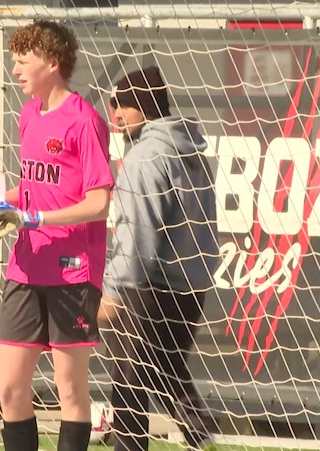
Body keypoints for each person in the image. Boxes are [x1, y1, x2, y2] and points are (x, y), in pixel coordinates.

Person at [0, 20, 114, 451]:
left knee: (69, 389)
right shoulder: (29, 114)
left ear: (52, 63)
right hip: (25, 267)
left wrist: (33, 218)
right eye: (12, 61)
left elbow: (99, 202)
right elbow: (32, 189)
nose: (15, 70)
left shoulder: (85, 121)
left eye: (23, 61)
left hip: (71, 273)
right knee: (10, 390)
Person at [100, 66, 219, 450]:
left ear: (141, 106)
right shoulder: (192, 149)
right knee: (169, 376)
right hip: (192, 288)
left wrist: (114, 290)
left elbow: (138, 234)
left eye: (119, 103)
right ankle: (204, 443)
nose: (113, 113)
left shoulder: (143, 158)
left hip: (149, 288)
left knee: (129, 384)